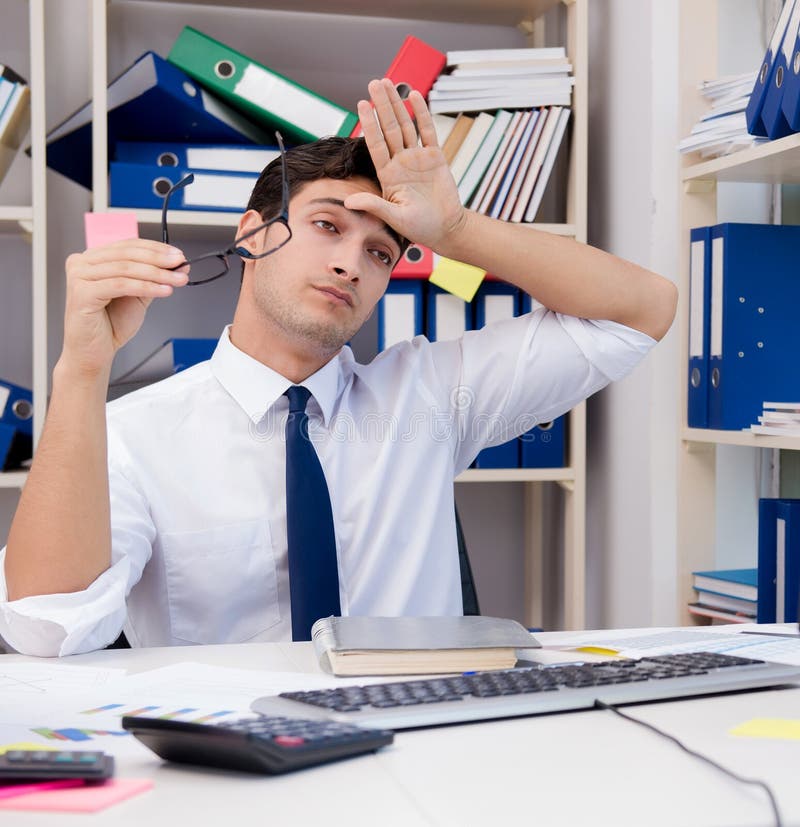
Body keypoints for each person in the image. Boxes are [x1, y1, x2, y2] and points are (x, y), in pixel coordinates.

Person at [0, 80, 677, 656]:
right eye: (327, 226)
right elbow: (45, 630)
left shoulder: (429, 396)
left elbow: (642, 309)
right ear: (252, 233)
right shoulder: (133, 433)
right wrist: (82, 370)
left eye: (380, 252)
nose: (351, 263)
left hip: (422, 754)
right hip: (233, 771)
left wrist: (457, 230)